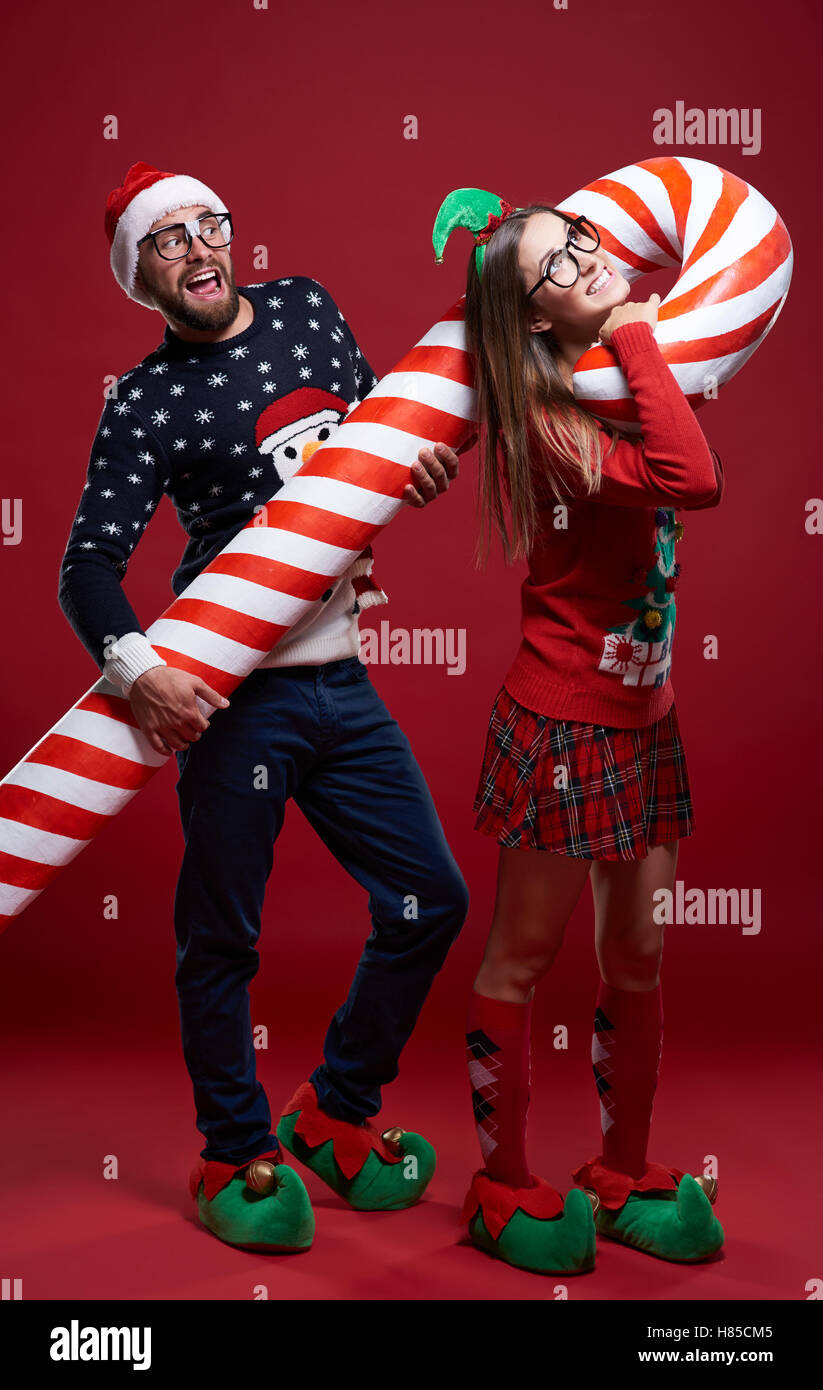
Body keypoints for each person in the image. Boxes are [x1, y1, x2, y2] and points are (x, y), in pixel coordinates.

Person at [58, 162, 470, 1254]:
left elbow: (379, 428)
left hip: (342, 679)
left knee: (429, 900)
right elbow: (87, 567)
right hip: (234, 701)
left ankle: (334, 1112)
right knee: (222, 935)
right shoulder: (143, 399)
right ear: (139, 275)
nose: (197, 251)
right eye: (167, 241)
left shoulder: (306, 306)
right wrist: (141, 671)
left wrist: (414, 467)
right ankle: (233, 1149)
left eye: (208, 227)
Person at [432, 188, 726, 1274]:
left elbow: (698, 450)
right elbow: (690, 479)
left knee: (638, 951)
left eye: (585, 242)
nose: (589, 264)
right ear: (533, 320)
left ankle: (625, 1170)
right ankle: (502, 1181)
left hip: (647, 719)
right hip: (560, 724)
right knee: (522, 956)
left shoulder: (629, 378)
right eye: (556, 268)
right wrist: (639, 331)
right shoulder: (549, 424)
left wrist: (642, 344)